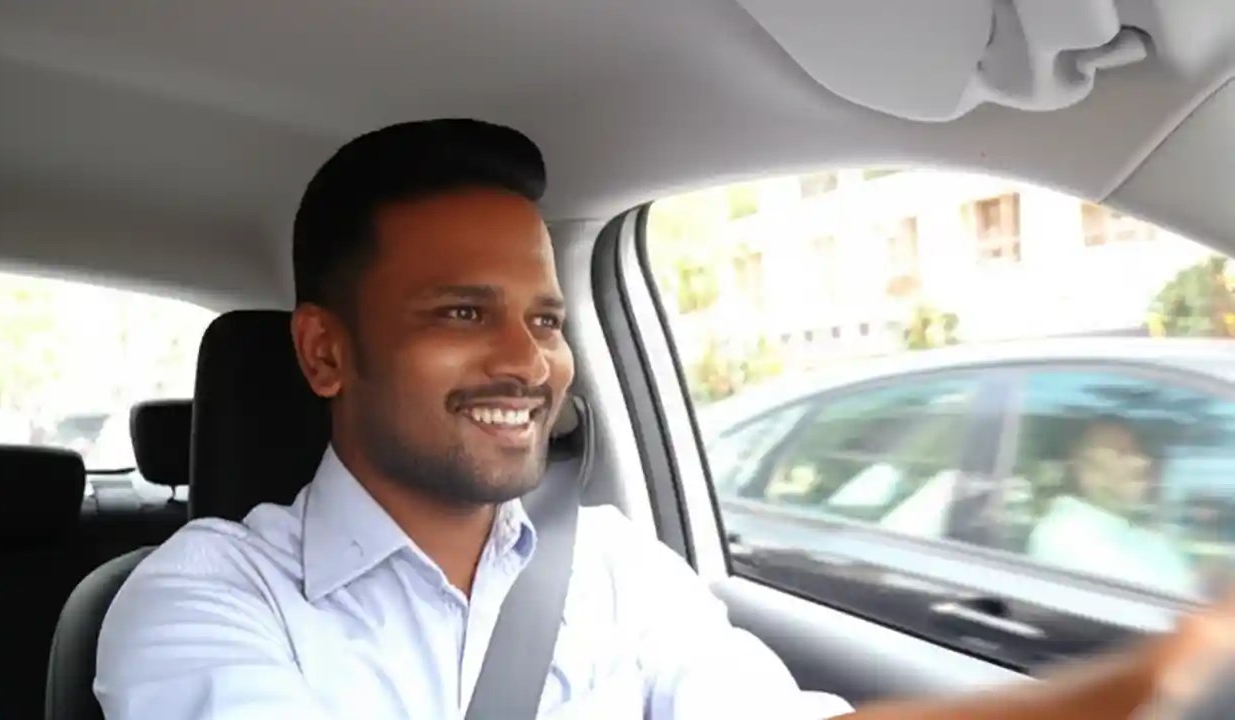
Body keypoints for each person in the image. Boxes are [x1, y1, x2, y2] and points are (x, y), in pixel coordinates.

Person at [95, 119, 1235, 719]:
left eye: (546, 319)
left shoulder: (617, 571)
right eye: (461, 312)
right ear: (324, 351)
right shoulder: (203, 596)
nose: (528, 361)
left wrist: (1141, 689)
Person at [1029, 417, 1199, 598]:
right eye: (1123, 453)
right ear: (1087, 471)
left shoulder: (1143, 536)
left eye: (1139, 452)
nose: (1142, 462)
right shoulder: (1065, 538)